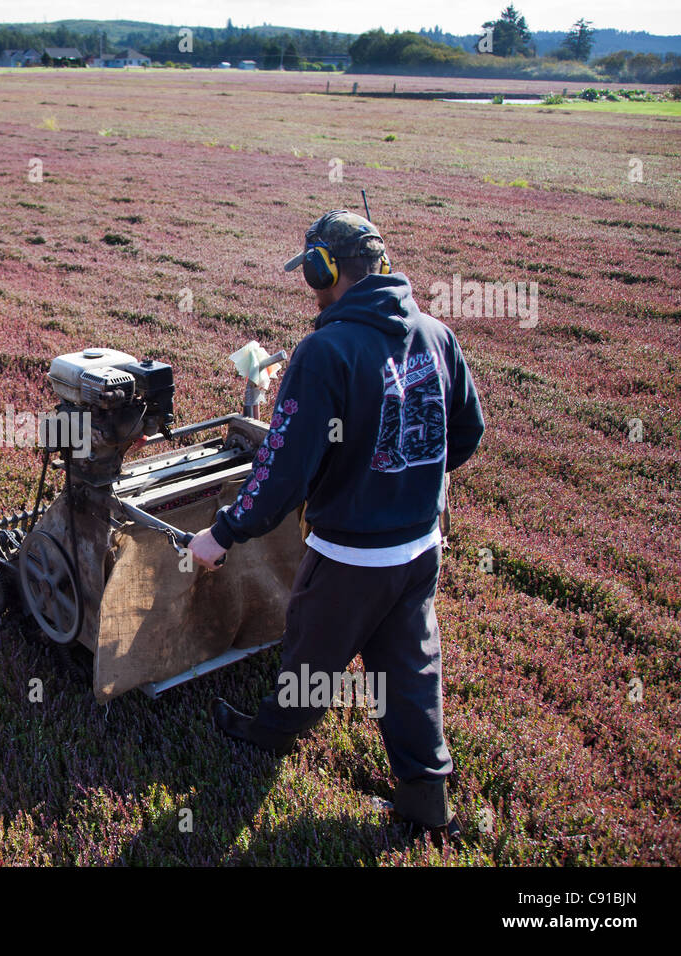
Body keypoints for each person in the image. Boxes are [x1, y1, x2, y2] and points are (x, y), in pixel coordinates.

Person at [187, 210, 485, 843]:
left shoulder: (326, 352)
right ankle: (427, 799)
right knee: (409, 668)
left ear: (323, 267)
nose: (311, 283)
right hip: (421, 549)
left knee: (312, 658)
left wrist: (224, 533)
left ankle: (267, 737)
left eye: (311, 270)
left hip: (354, 557)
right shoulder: (436, 333)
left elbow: (283, 471)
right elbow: (465, 434)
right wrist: (404, 481)